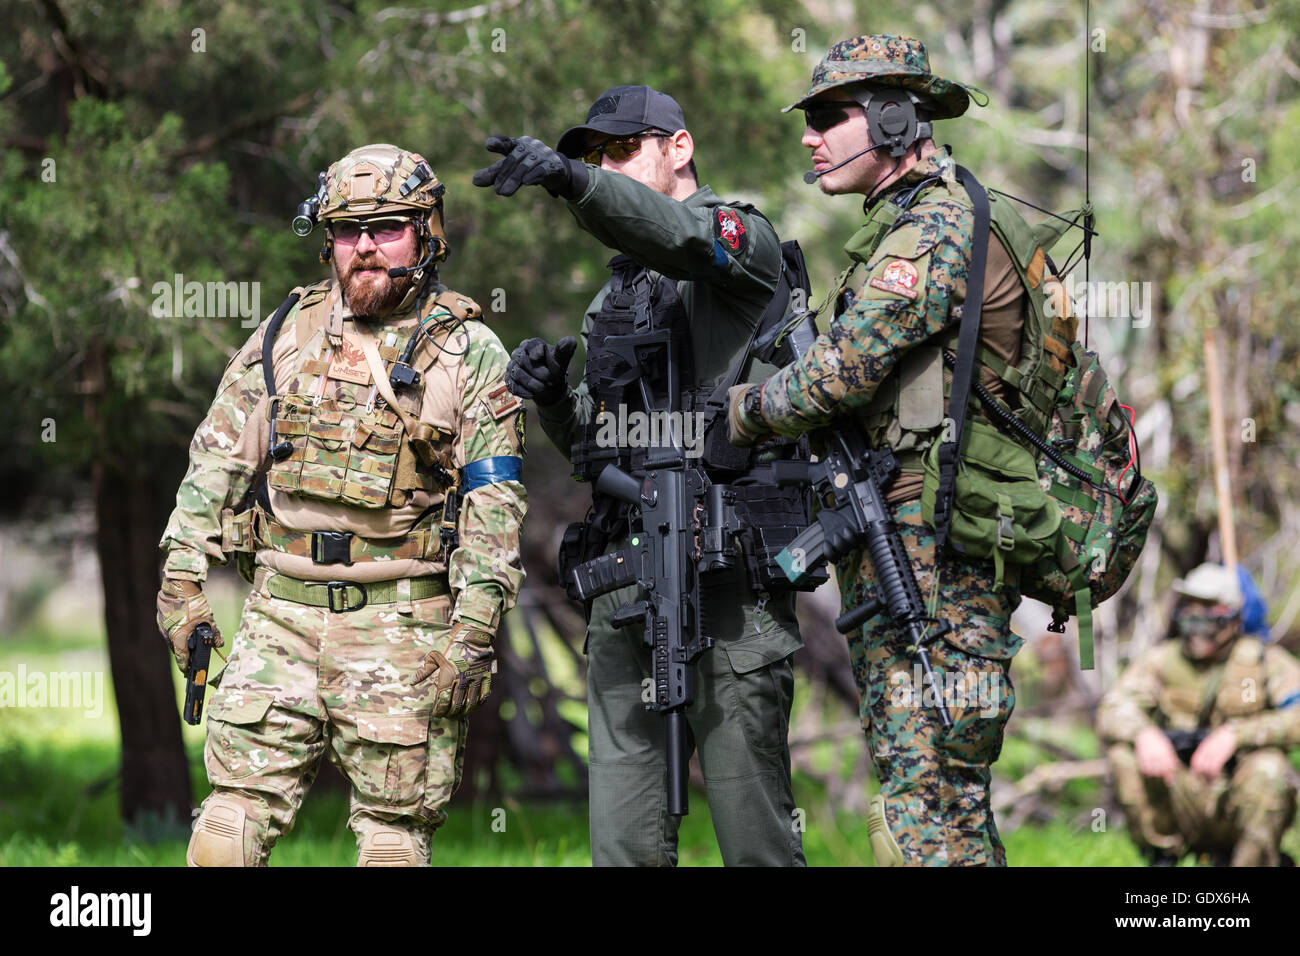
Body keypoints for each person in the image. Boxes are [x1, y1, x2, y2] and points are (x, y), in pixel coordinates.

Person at [727, 35, 1055, 866]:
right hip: (924, 540)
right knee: (941, 805)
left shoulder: (937, 228)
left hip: (935, 556)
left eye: (827, 119)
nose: (809, 139)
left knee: (923, 805)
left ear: (892, 118)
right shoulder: (925, 220)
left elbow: (837, 375)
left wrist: (735, 415)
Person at [156, 144, 527, 866]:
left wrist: (473, 634)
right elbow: (216, 461)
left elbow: (495, 508)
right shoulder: (285, 335)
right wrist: (181, 583)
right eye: (346, 230)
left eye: (385, 227)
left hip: (404, 622)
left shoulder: (468, 351)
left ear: (427, 232)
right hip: (280, 616)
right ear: (326, 239)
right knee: (223, 836)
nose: (363, 247)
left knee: (392, 843)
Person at [474, 85, 806, 866]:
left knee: (756, 841)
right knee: (622, 849)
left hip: (727, 586)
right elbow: (600, 442)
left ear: (679, 147)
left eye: (622, 149)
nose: (606, 165)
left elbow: (681, 237)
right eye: (595, 156)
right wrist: (555, 399)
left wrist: (572, 181)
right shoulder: (617, 295)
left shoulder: (741, 243)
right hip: (628, 583)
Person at [1097, 562, 1300, 866]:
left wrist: (1237, 736)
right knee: (1124, 757)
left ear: (1231, 616)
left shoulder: (1265, 661)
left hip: (1237, 790)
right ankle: (1162, 855)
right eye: (1190, 606)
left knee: (1270, 769)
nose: (1196, 619)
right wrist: (1145, 734)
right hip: (1181, 790)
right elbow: (1112, 709)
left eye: (1207, 608)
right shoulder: (1161, 660)